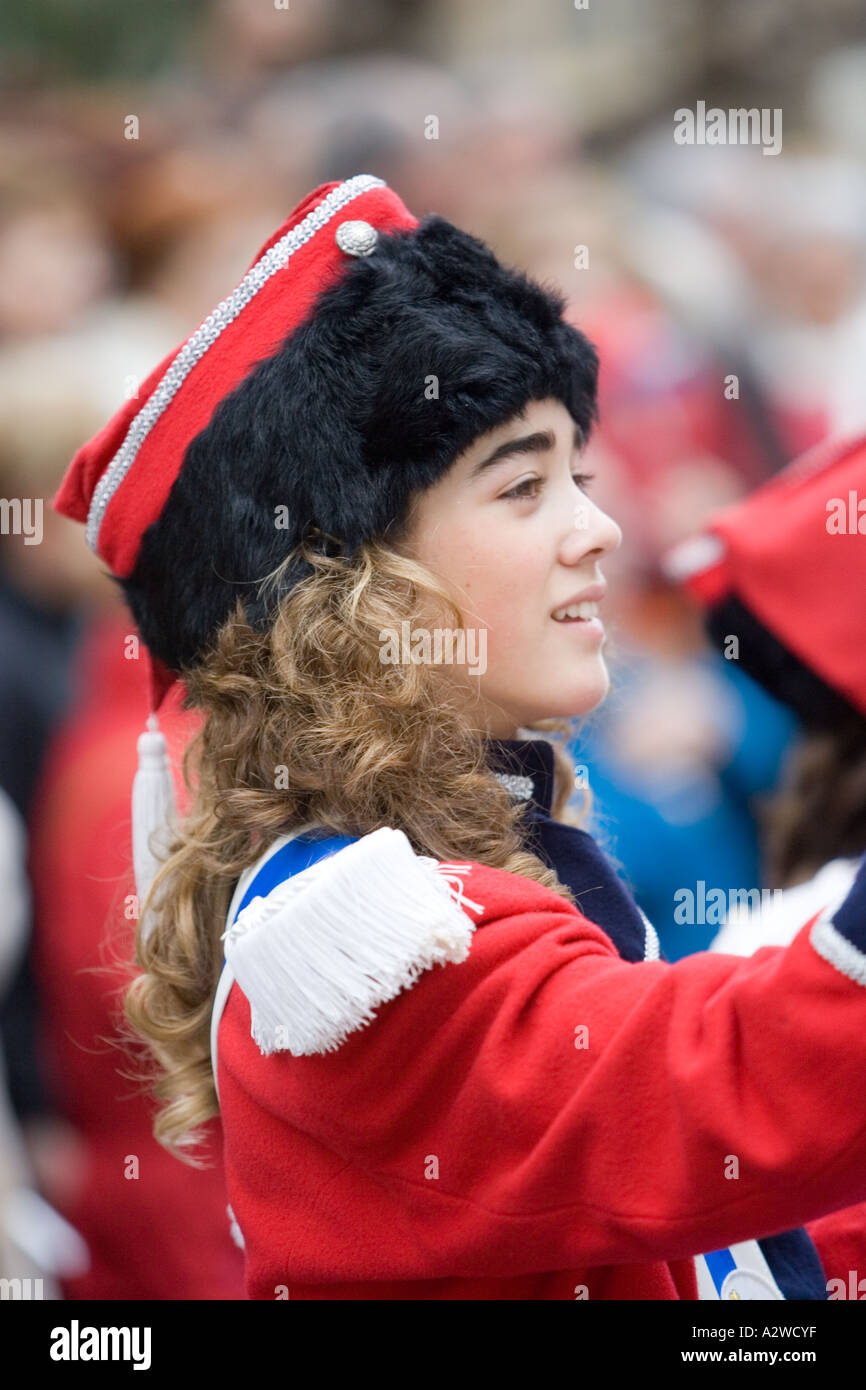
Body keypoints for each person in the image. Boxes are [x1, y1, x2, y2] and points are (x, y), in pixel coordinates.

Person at [52, 174, 866, 1300]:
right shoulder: (361, 931)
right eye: (523, 485)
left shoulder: (472, 859)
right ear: (353, 587)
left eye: (575, 474)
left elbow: (702, 1259)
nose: (599, 529)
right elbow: (712, 1099)